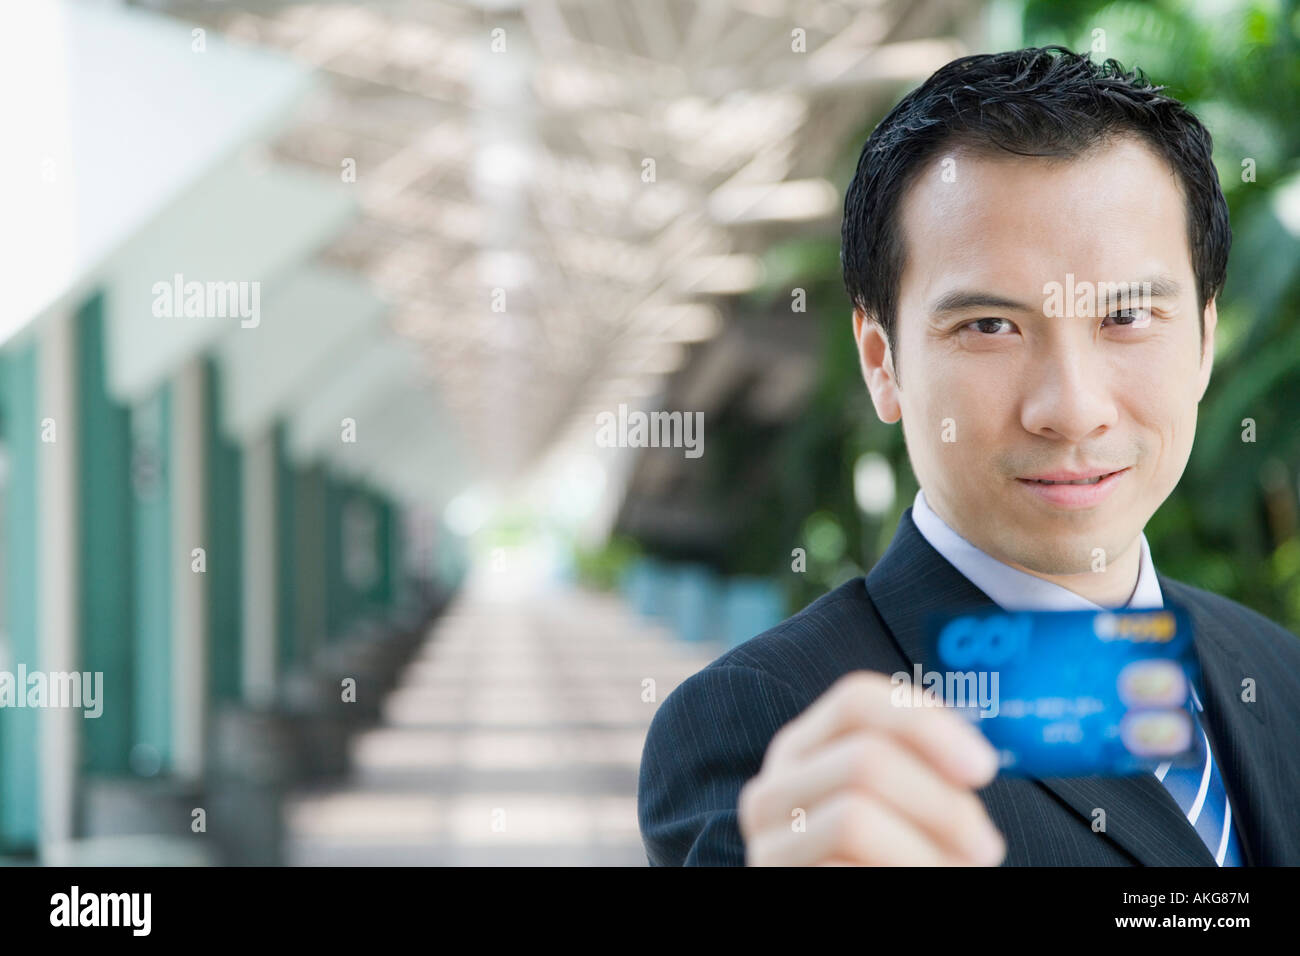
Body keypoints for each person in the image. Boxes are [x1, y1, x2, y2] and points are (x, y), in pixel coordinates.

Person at [637, 46, 1300, 866]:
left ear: (1203, 339)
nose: (1072, 409)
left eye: (1127, 316)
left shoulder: (1278, 674)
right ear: (883, 363)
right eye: (990, 326)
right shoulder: (769, 728)